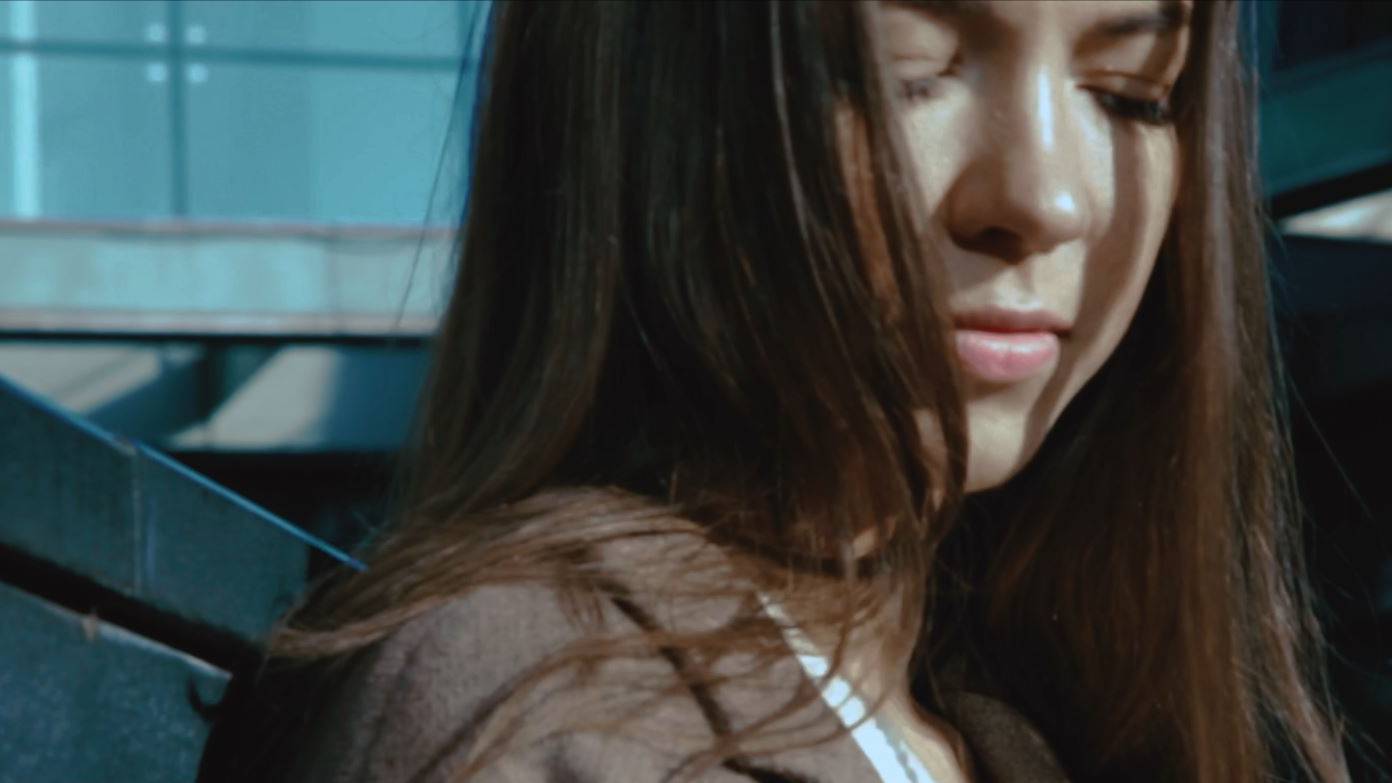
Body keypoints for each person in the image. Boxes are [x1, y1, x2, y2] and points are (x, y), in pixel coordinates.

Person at [199, 1, 1352, 781]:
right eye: (907, 71)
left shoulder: (1007, 719)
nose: (1049, 196)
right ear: (657, 97)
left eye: (1132, 92)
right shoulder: (528, 711)